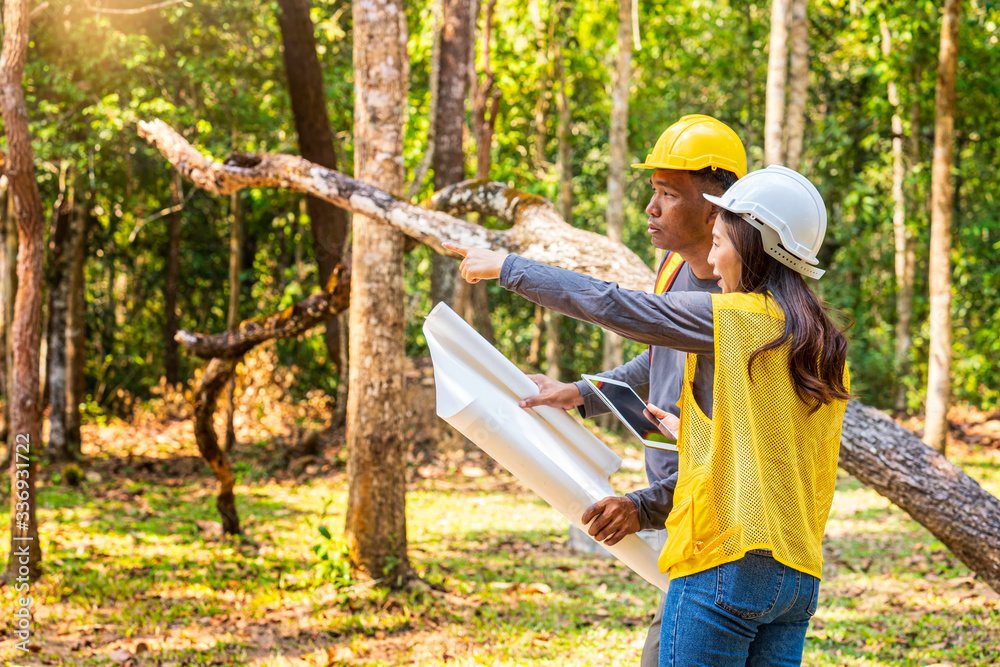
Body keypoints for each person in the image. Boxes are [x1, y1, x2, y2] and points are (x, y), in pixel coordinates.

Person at [445, 164, 850, 666]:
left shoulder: (737, 319)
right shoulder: (822, 343)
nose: (713, 258)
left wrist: (508, 266)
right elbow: (774, 459)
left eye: (719, 242)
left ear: (751, 248)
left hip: (724, 564)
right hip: (796, 580)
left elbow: (619, 307)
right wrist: (689, 436)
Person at [502, 114, 747, 665]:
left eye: (666, 194)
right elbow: (660, 352)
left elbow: (736, 459)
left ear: (715, 208)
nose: (650, 208)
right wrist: (583, 392)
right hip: (678, 512)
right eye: (651, 191)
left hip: (716, 525)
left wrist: (642, 506)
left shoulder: (741, 295)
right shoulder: (673, 267)